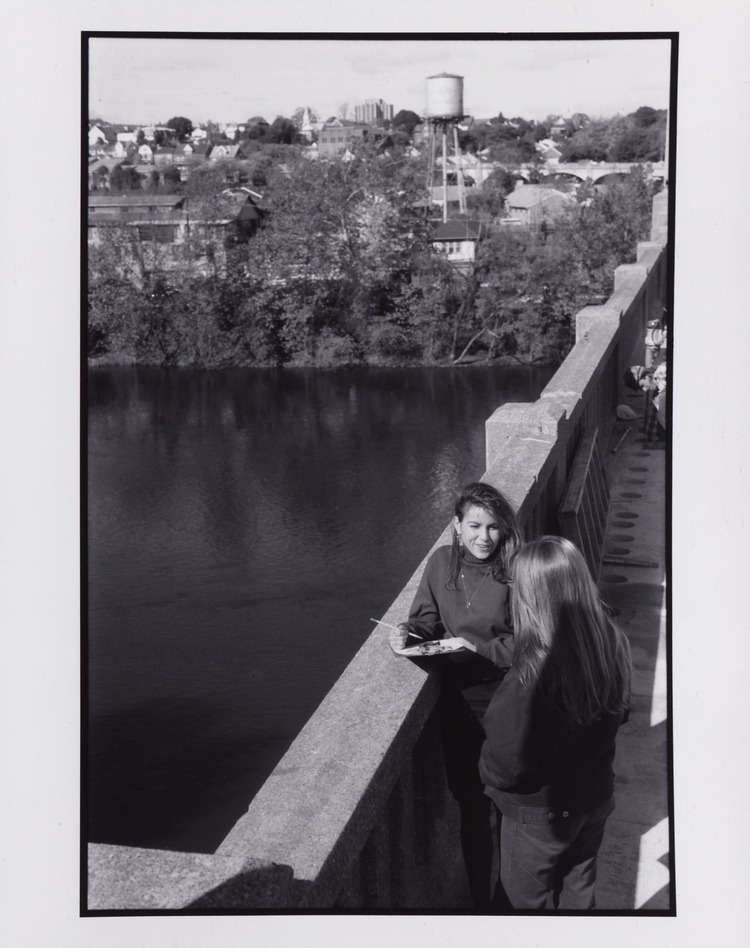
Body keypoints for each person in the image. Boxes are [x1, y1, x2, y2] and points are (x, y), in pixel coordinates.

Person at [479, 536, 633, 911]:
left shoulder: (530, 672)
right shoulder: (612, 643)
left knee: (523, 907)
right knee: (579, 896)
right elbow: (622, 712)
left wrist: (484, 770)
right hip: (594, 798)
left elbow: (505, 765)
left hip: (540, 816)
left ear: (531, 597)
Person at [389, 481, 522, 908]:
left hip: (508, 698)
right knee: (471, 803)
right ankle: (481, 901)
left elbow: (531, 640)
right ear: (457, 526)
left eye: (494, 527)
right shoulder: (440, 563)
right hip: (459, 702)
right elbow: (424, 620)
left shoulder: (516, 568)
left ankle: (509, 897)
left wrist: (481, 650)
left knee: (509, 803)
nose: (485, 537)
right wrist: (406, 634)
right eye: (475, 526)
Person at [624, 362, 667, 440]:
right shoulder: (656, 395)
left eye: (642, 386)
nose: (645, 390)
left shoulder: (664, 372)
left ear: (646, 376)